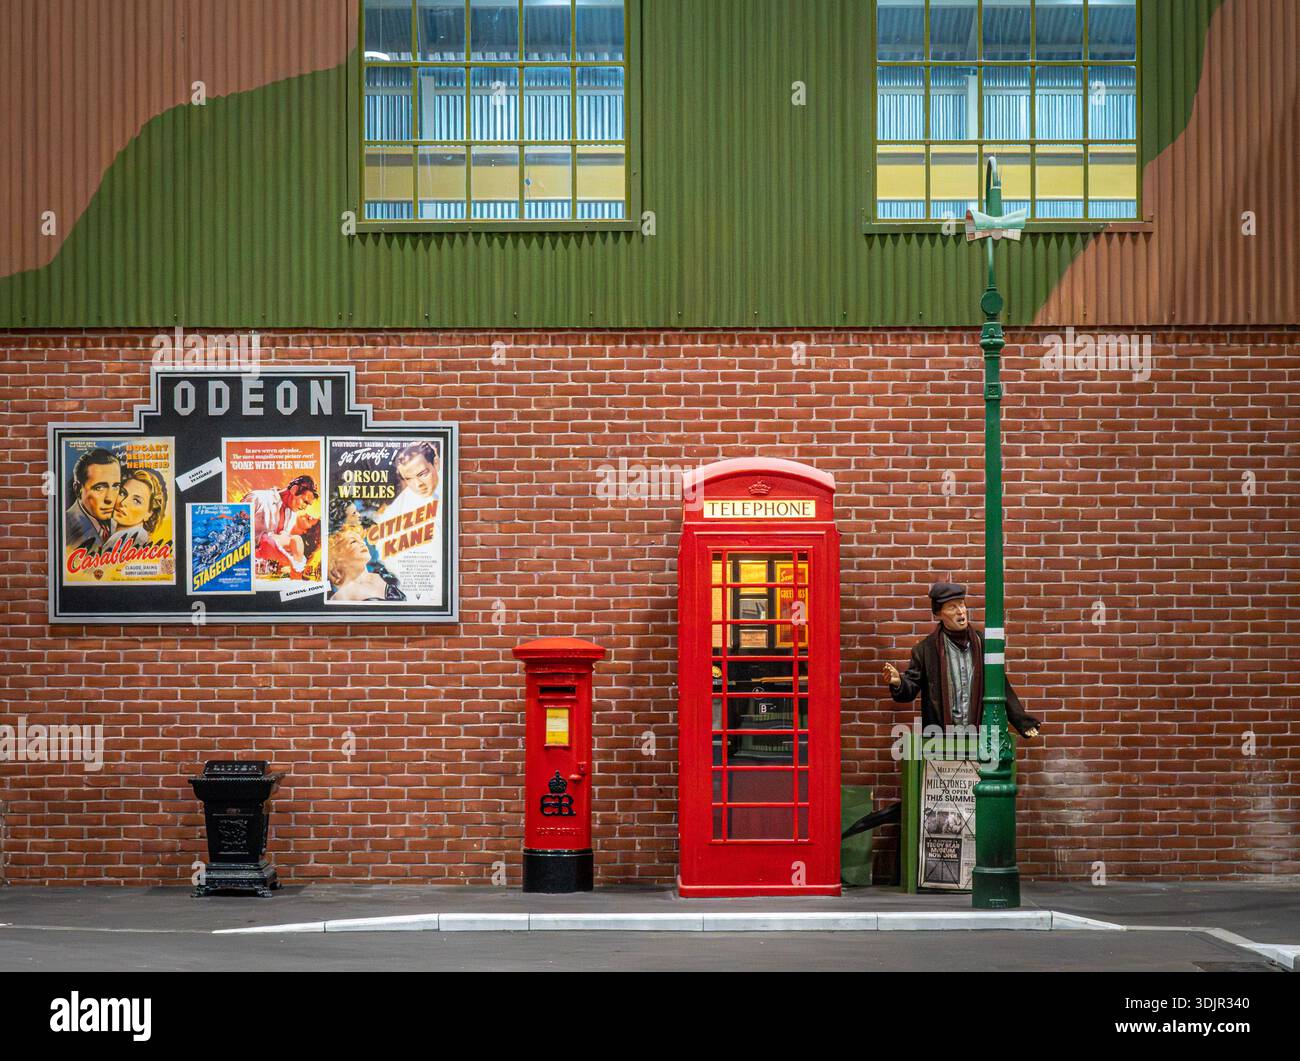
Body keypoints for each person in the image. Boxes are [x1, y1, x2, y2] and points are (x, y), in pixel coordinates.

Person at [883, 582, 1041, 738]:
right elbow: (909, 690)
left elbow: (1000, 686)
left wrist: (1022, 721)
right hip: (941, 738)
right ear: (938, 613)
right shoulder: (925, 650)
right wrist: (898, 682)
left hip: (979, 735)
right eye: (952, 607)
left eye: (962, 605)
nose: (960, 611)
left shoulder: (982, 644)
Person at [241, 475, 317, 575]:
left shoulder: (292, 514)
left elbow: (281, 539)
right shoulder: (257, 498)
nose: (305, 507)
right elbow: (236, 529)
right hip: (244, 560)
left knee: (296, 540)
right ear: (294, 490)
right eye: (305, 501)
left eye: (308, 504)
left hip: (266, 565)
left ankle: (296, 577)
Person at [65, 448, 123, 548]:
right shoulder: (66, 528)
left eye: (116, 486)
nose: (110, 499)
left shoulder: (117, 525)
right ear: (78, 489)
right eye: (99, 488)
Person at [104, 467, 168, 549]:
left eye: (136, 501)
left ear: (149, 513)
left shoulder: (136, 538)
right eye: (123, 493)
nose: (123, 503)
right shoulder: (111, 530)